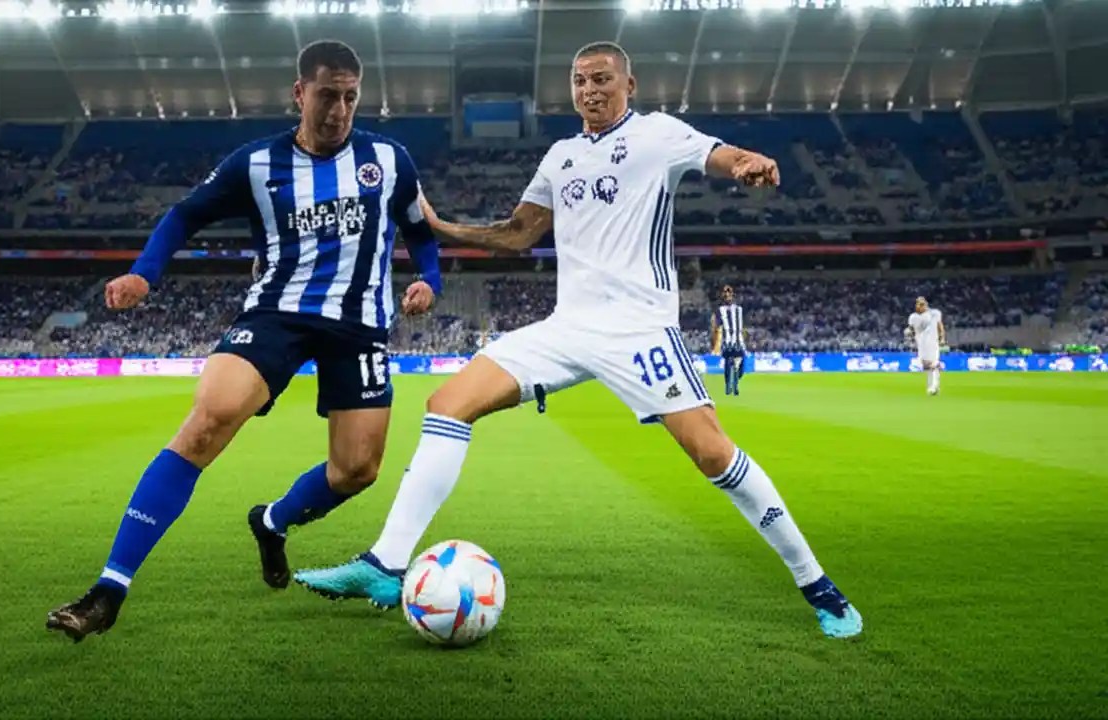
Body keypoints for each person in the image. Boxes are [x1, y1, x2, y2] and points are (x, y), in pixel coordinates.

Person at [295, 41, 862, 639]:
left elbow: (720, 155)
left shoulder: (657, 135)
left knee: (713, 453)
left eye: (601, 79)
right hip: (567, 328)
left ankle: (816, 583)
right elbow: (518, 235)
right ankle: (386, 564)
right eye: (579, 80)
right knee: (447, 405)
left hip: (639, 328)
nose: (589, 90)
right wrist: (440, 227)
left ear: (628, 85)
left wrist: (749, 162)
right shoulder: (561, 156)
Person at [45, 39, 441, 642]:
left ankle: (272, 521)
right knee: (210, 417)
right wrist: (143, 273)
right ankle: (108, 589)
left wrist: (429, 281)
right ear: (299, 93)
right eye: (328, 95)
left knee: (358, 469)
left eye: (351, 96)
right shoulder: (255, 164)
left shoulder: (390, 160)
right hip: (277, 313)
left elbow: (421, 230)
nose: (339, 110)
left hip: (360, 323)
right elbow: (183, 214)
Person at [711, 284, 747, 396]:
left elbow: (742, 326)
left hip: (739, 341)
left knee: (740, 365)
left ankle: (736, 381)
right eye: (725, 294)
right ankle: (729, 386)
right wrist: (716, 343)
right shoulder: (720, 310)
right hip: (727, 341)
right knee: (728, 363)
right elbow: (716, 326)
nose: (727, 295)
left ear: (732, 295)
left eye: (729, 293)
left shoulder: (739, 309)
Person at [907, 296, 945, 395]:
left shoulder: (934, 314)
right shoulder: (913, 317)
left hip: (932, 343)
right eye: (917, 304)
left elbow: (940, 326)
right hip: (921, 345)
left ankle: (935, 386)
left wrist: (942, 338)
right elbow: (911, 330)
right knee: (926, 366)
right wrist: (909, 335)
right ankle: (931, 386)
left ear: (925, 305)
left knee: (933, 364)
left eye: (921, 304)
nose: (918, 306)